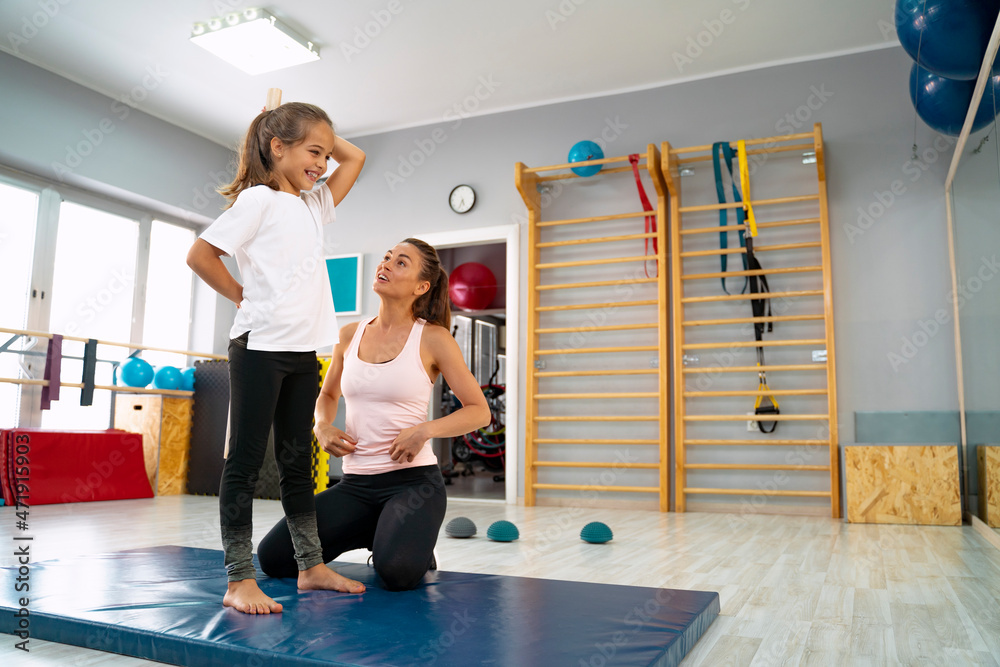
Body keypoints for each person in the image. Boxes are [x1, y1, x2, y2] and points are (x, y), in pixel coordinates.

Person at [186, 102, 367, 614]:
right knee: (243, 463)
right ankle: (239, 578)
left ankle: (310, 566)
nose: (325, 164)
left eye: (325, 155)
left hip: (302, 350)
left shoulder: (313, 204)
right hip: (259, 346)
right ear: (277, 148)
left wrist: (314, 136)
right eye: (314, 152)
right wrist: (241, 295)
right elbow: (200, 255)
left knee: (296, 460)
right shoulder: (257, 201)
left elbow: (356, 160)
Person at [257, 238, 490, 591]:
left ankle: (403, 536)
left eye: (401, 263)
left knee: (396, 573)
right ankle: (382, 529)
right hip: (355, 486)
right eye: (386, 258)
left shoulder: (433, 338)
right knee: (274, 558)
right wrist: (321, 425)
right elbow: (328, 395)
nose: (386, 265)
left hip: (413, 484)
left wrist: (424, 430)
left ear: (421, 287)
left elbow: (479, 412)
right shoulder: (349, 334)